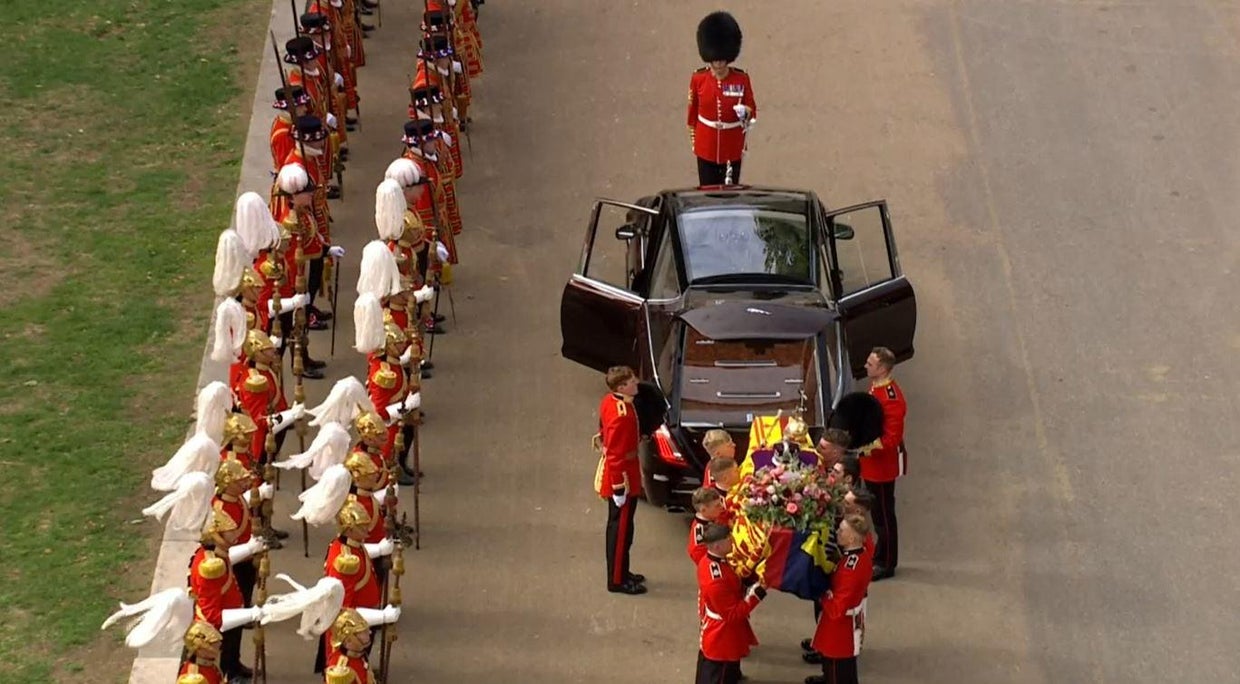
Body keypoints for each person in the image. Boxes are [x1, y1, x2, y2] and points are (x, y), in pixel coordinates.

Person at [188, 509, 267, 682]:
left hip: (230, 608)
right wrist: (251, 613)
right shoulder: (210, 568)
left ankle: (234, 667)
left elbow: (228, 559)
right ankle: (231, 675)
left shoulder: (217, 554)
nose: (233, 533)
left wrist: (249, 548)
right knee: (221, 662)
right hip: (215, 627)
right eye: (227, 531)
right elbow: (214, 616)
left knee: (233, 648)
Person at [687, 11, 756, 186]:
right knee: (707, 193)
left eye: (722, 61)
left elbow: (752, 109)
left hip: (731, 147)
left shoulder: (741, 79)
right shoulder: (698, 79)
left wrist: (746, 113)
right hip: (706, 146)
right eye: (714, 61)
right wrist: (696, 142)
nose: (718, 65)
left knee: (729, 195)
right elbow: (692, 114)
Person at [858, 346, 907, 581]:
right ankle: (880, 555)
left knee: (884, 516)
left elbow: (891, 438)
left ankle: (886, 562)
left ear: (883, 369)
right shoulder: (876, 388)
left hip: (882, 466)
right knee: (877, 513)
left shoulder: (892, 398)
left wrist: (865, 447)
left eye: (871, 363)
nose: (866, 366)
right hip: (871, 464)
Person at [695, 523, 766, 684]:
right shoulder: (716, 580)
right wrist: (758, 592)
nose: (732, 542)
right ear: (718, 546)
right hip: (722, 637)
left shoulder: (712, 562)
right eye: (729, 540)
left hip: (719, 631)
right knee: (719, 676)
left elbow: (732, 583)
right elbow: (733, 614)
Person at [807, 515, 874, 684]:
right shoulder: (858, 555)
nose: (837, 532)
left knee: (837, 675)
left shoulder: (850, 569)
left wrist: (821, 592)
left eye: (841, 530)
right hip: (845, 629)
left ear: (851, 538)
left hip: (839, 634)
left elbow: (837, 608)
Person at [596, 365, 645, 595]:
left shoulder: (612, 401)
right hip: (623, 477)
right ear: (621, 386)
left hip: (627, 470)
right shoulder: (621, 414)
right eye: (632, 381)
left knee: (626, 528)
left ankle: (622, 571)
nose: (636, 383)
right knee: (621, 530)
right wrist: (618, 488)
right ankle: (617, 579)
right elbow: (615, 455)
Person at [687, 487, 724, 564]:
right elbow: (701, 559)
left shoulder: (712, 517)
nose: (722, 507)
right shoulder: (701, 532)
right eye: (717, 506)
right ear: (703, 510)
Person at [706, 456, 741, 526]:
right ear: (725, 478)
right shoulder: (715, 501)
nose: (739, 472)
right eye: (736, 471)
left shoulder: (739, 486)